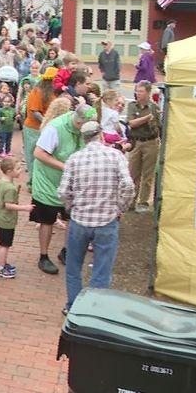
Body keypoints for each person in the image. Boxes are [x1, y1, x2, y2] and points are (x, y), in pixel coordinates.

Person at [59, 121, 134, 314]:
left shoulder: (74, 159)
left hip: (80, 220)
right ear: (101, 134)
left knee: (74, 267)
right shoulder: (115, 156)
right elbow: (128, 186)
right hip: (107, 220)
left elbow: (63, 191)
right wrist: (120, 207)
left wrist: (72, 208)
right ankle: (94, 310)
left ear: (83, 138)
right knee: (102, 270)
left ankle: (74, 306)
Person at [30, 104, 97, 275]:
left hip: (71, 182)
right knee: (47, 219)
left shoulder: (89, 129)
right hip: (48, 179)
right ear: (78, 121)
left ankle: (66, 251)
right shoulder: (55, 128)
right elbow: (39, 153)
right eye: (84, 126)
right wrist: (65, 166)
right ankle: (43, 256)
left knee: (71, 218)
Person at [0, 157, 34, 278]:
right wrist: (25, 208)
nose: (21, 170)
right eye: (18, 168)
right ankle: (0, 268)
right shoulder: (10, 188)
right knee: (5, 245)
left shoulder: (2, 182)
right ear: (9, 171)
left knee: (1, 243)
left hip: (0, 217)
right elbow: (8, 205)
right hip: (6, 219)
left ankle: (1, 262)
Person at [126, 81, 161, 214]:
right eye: (137, 91)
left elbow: (158, 126)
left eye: (141, 91)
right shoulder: (132, 106)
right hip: (136, 142)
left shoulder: (155, 107)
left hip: (150, 142)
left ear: (148, 92)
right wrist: (147, 118)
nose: (138, 94)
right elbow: (131, 123)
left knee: (148, 174)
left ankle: (143, 202)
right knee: (133, 173)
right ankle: (131, 201)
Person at [23, 68, 57, 175]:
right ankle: (32, 181)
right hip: (33, 129)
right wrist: (47, 122)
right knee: (33, 156)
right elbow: (35, 111)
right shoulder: (37, 91)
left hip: (46, 129)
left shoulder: (53, 92)